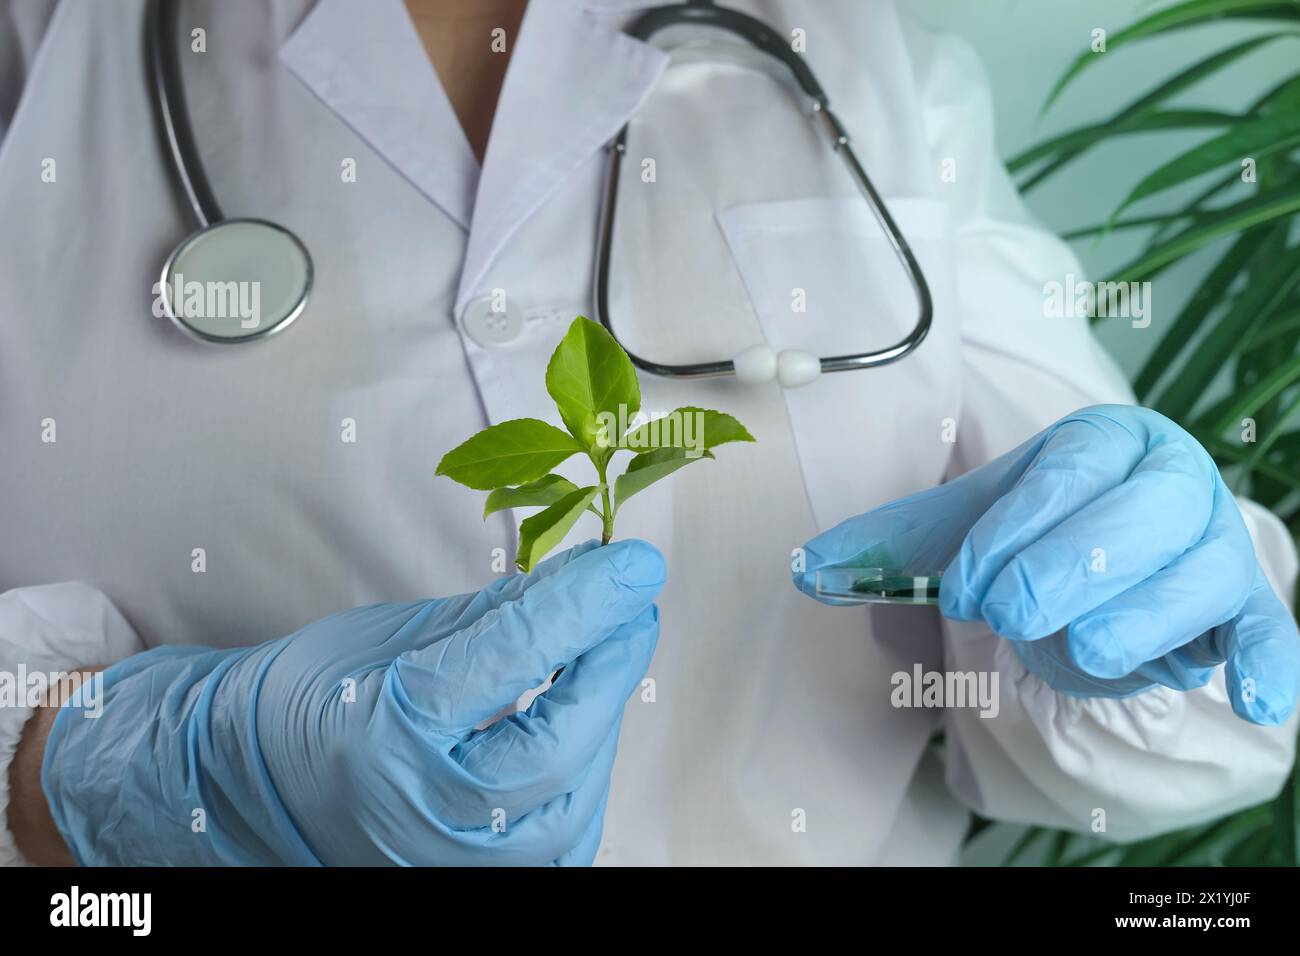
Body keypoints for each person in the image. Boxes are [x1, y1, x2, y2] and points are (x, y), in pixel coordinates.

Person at [1, 0, 1296, 867]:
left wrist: (1148, 610)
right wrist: (154, 770)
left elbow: (1157, 709)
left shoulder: (855, 52)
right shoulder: (54, 50)